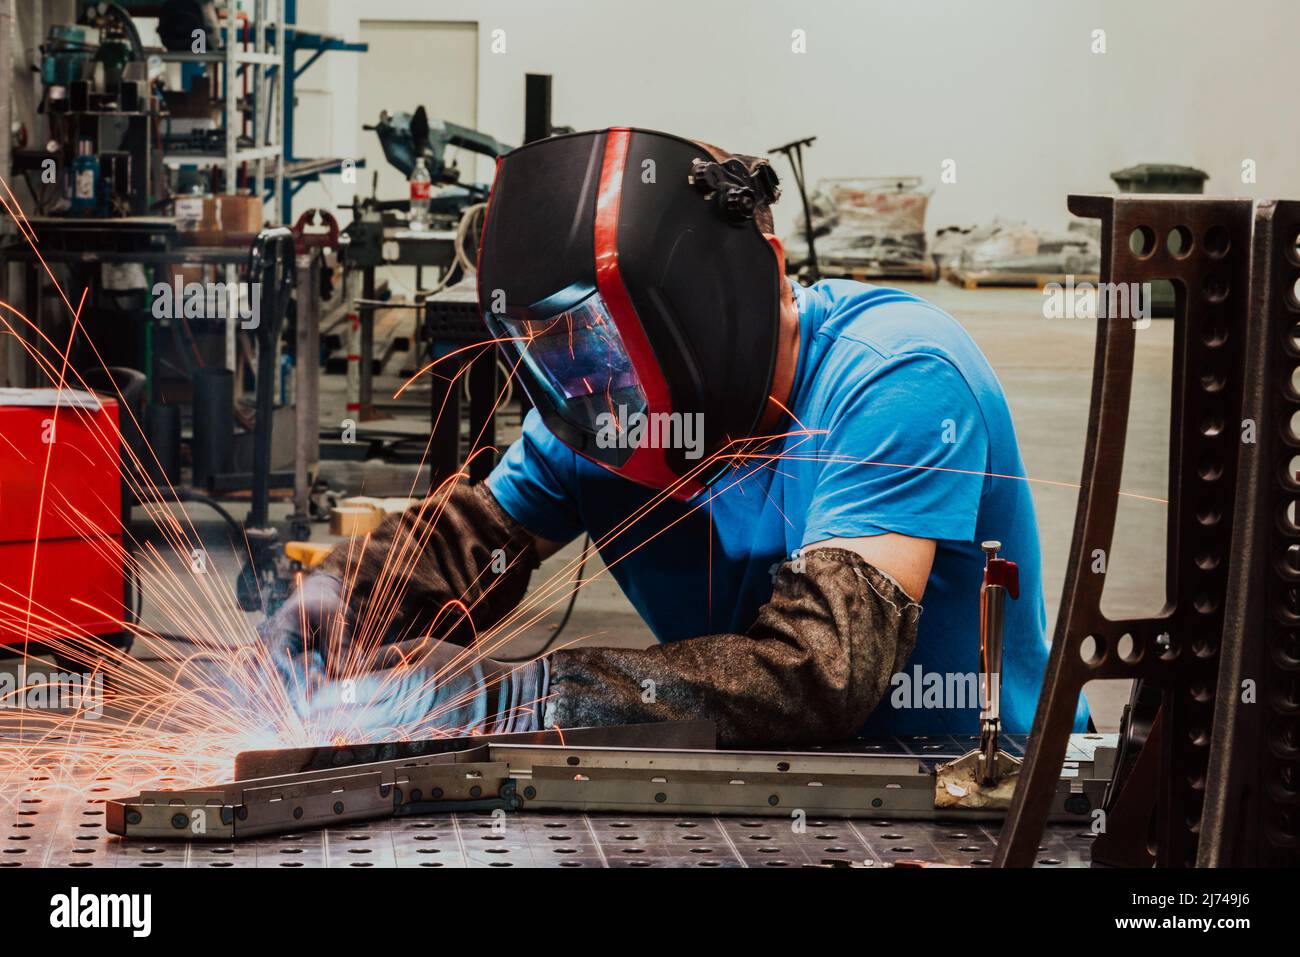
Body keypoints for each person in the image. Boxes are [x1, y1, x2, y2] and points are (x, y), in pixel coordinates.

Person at [261, 127, 1087, 747]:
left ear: (706, 316)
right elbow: (474, 544)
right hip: (774, 789)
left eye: (600, 352)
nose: (589, 388)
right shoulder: (602, 408)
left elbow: (820, 672)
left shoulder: (898, 378)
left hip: (976, 801)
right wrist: (336, 605)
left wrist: (530, 698)